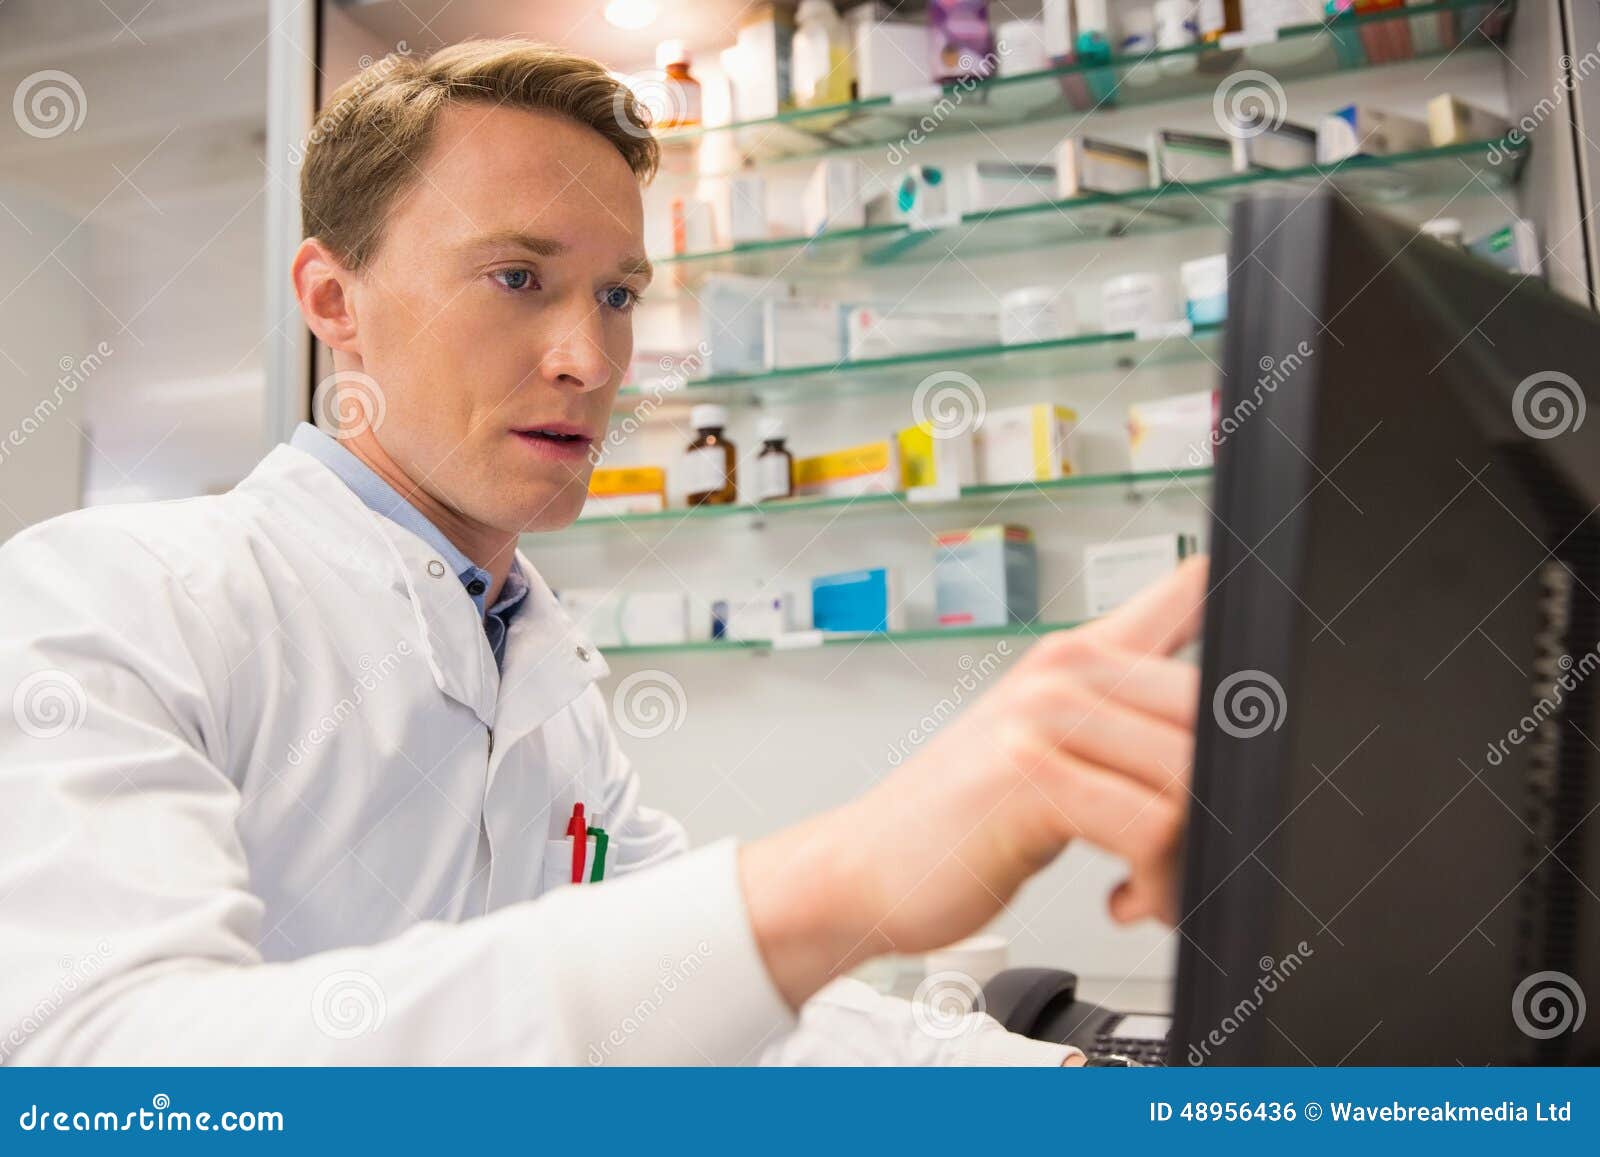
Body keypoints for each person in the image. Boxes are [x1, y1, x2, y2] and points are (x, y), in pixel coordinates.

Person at [0, 40, 1204, 1065]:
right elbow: (109, 1067)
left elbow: (720, 1007)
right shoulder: (109, 600)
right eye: (516, 277)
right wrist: (839, 876)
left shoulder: (533, 658)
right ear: (333, 298)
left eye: (618, 294)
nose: (589, 358)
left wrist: (1064, 1081)